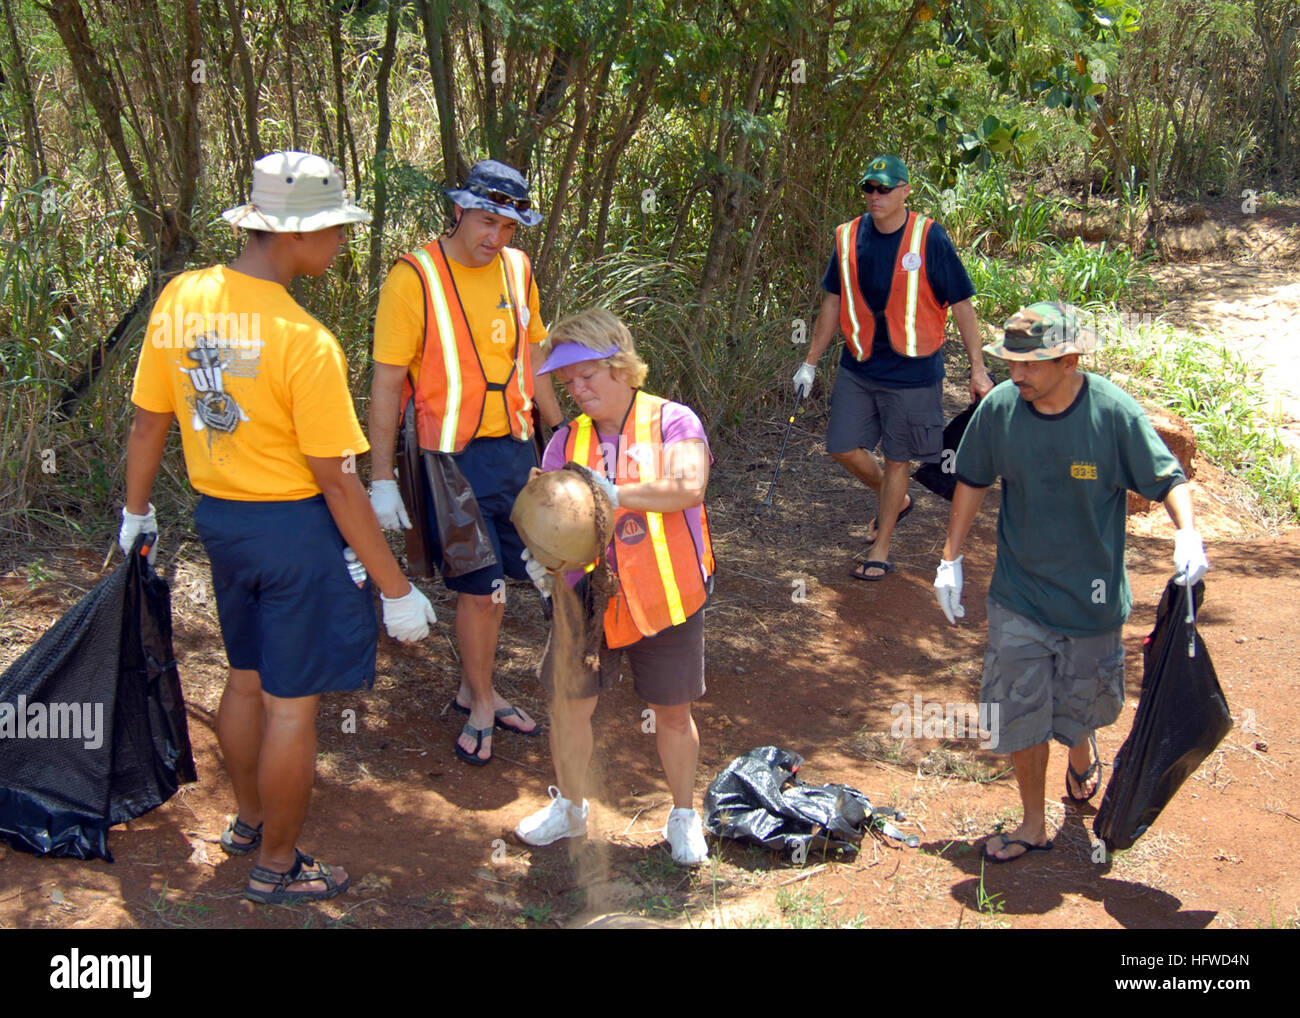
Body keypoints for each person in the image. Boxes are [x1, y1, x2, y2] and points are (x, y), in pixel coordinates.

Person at [120, 151, 436, 904]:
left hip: (221, 522)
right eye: (335, 232)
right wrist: (395, 589)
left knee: (245, 676)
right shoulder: (305, 341)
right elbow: (337, 480)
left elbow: (147, 422)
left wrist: (136, 513)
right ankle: (280, 864)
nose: (341, 247)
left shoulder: (182, 299)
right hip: (296, 533)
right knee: (293, 704)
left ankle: (250, 820)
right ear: (298, 235)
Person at [932, 302, 1210, 863]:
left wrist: (1189, 532)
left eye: (1031, 365)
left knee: (1078, 707)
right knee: (1017, 705)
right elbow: (972, 479)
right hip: (1019, 594)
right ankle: (1034, 824)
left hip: (1091, 602)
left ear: (1070, 360)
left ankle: (1080, 748)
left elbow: (1167, 477)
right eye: (1011, 363)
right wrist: (950, 559)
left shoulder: (1111, 413)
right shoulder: (1002, 410)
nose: (1017, 376)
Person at [367, 159, 563, 766]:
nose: (496, 238)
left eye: (509, 227)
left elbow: (534, 359)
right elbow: (385, 383)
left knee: (504, 581)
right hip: (447, 458)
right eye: (486, 222)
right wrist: (378, 478)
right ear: (458, 210)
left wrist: (561, 440)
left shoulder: (518, 269)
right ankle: (481, 699)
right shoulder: (415, 276)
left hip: (514, 450)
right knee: (479, 587)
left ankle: (473, 684)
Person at [512, 309, 715, 865]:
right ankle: (571, 808)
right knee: (569, 704)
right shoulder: (564, 442)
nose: (577, 390)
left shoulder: (674, 420)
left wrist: (614, 493)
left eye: (588, 376)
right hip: (583, 596)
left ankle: (683, 816)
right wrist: (542, 558)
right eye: (568, 381)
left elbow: (689, 487)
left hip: (665, 592)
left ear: (622, 367)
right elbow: (543, 511)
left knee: (672, 710)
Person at [795, 154, 994, 580]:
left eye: (884, 188)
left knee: (899, 457)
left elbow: (961, 304)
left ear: (905, 190)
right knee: (841, 445)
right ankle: (896, 499)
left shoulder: (929, 238)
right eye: (868, 188)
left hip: (912, 371)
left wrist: (977, 368)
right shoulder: (848, 237)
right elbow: (833, 299)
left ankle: (881, 547)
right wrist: (809, 361)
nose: (874, 196)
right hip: (860, 363)